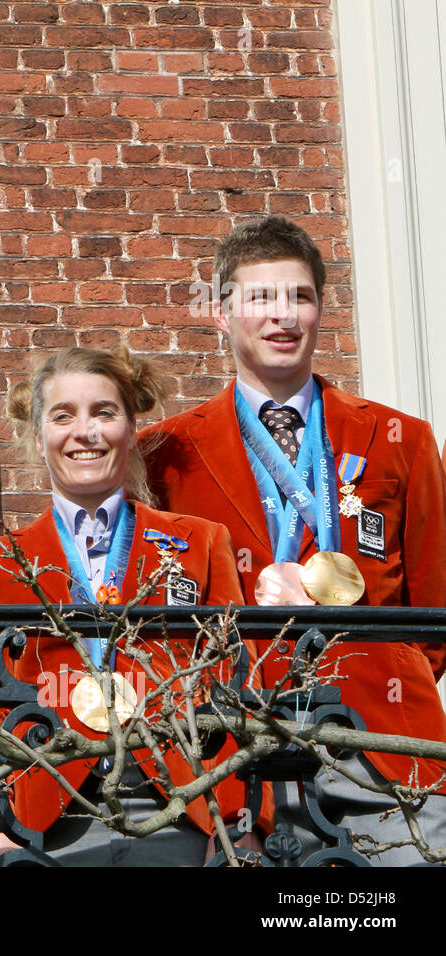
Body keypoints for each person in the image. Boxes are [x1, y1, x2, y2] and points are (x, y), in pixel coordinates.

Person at [142, 215, 446, 865]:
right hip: (231, 750)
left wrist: (380, 677)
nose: (284, 315)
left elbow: (433, 609)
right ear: (222, 314)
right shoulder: (163, 456)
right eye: (261, 297)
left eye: (301, 296)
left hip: (381, 751)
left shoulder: (401, 440)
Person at [0, 345, 263, 865]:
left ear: (130, 427)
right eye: (63, 416)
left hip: (182, 806)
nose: (86, 431)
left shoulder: (204, 542)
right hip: (43, 816)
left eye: (104, 412)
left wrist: (240, 820)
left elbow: (233, 687)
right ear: (39, 436)